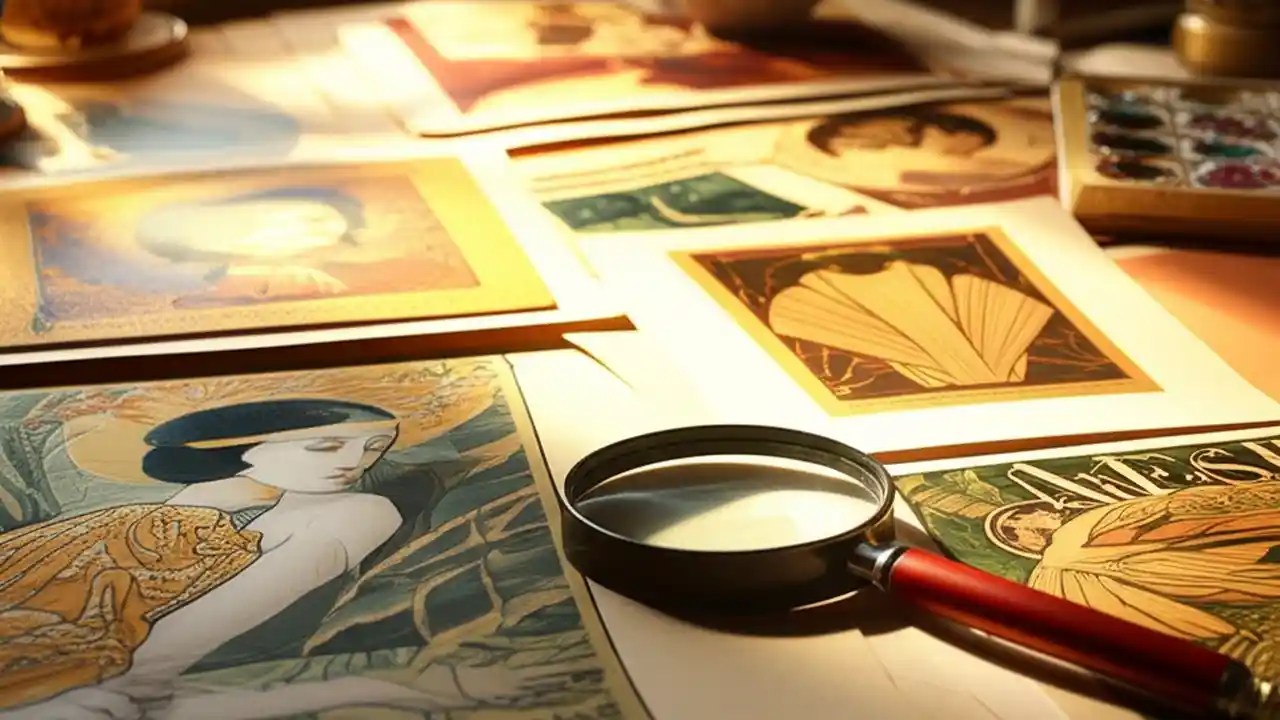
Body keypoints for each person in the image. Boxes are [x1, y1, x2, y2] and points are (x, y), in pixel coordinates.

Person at [0, 399, 404, 717]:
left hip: (88, 674)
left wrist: (103, 688)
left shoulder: (355, 511)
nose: (354, 463)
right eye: (326, 446)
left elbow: (161, 654)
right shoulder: (151, 513)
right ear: (247, 440)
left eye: (373, 448)